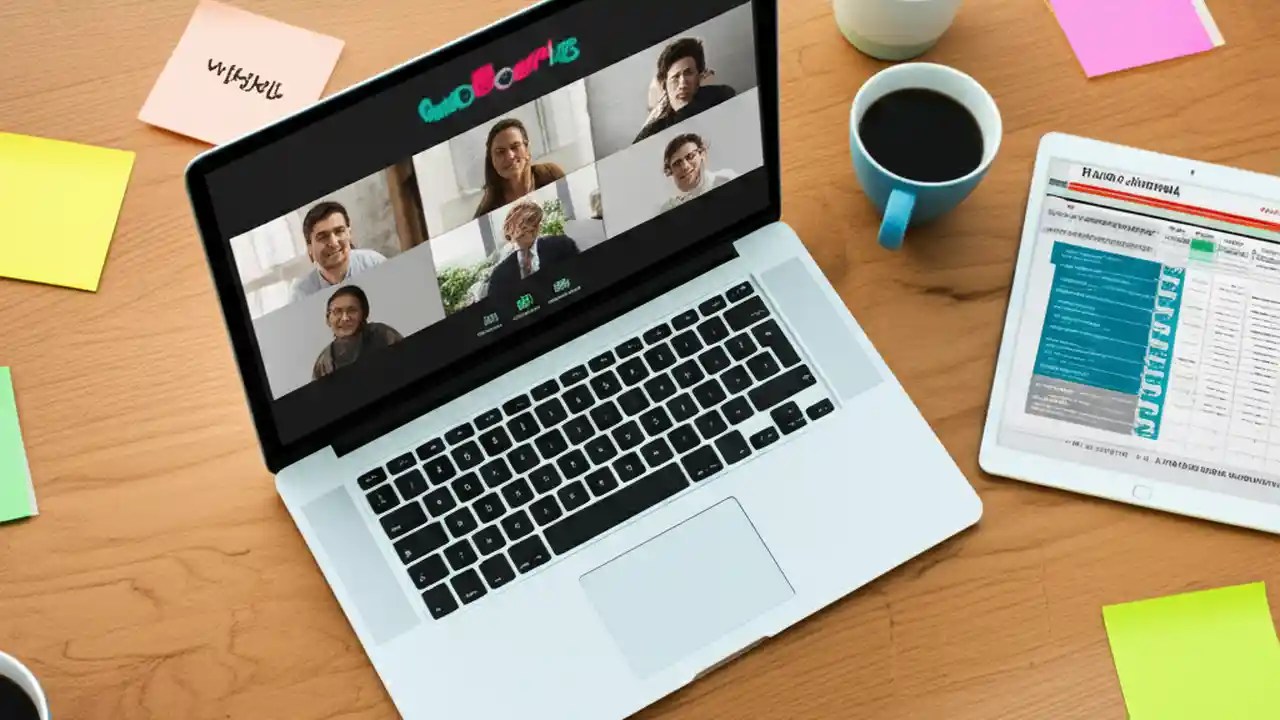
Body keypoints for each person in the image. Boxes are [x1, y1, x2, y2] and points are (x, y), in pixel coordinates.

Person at [634, 38, 737, 143]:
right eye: (675, 77)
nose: (682, 83)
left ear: (700, 77)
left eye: (688, 73)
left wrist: (682, 109)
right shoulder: (654, 130)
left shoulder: (721, 95)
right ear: (664, 85)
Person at [290, 201, 387, 302]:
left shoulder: (374, 263)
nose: (334, 243)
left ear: (349, 234)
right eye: (323, 237)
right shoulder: (300, 295)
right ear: (309, 247)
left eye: (339, 231)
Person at [474, 119, 566, 218]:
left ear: (527, 149)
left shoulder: (550, 174)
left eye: (515, 147)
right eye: (500, 151)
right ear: (491, 160)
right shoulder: (489, 207)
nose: (510, 156)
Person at [486, 201, 579, 298]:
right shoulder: (499, 276)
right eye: (520, 226)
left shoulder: (562, 246)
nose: (523, 231)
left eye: (532, 223)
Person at [312, 286, 404, 381]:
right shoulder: (324, 362)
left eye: (352, 310)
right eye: (337, 312)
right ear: (328, 319)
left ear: (364, 314)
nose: (345, 318)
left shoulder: (382, 334)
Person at [659, 133, 738, 212]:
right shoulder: (668, 209)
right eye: (677, 163)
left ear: (702, 155)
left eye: (690, 156)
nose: (685, 166)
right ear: (670, 171)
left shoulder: (726, 180)